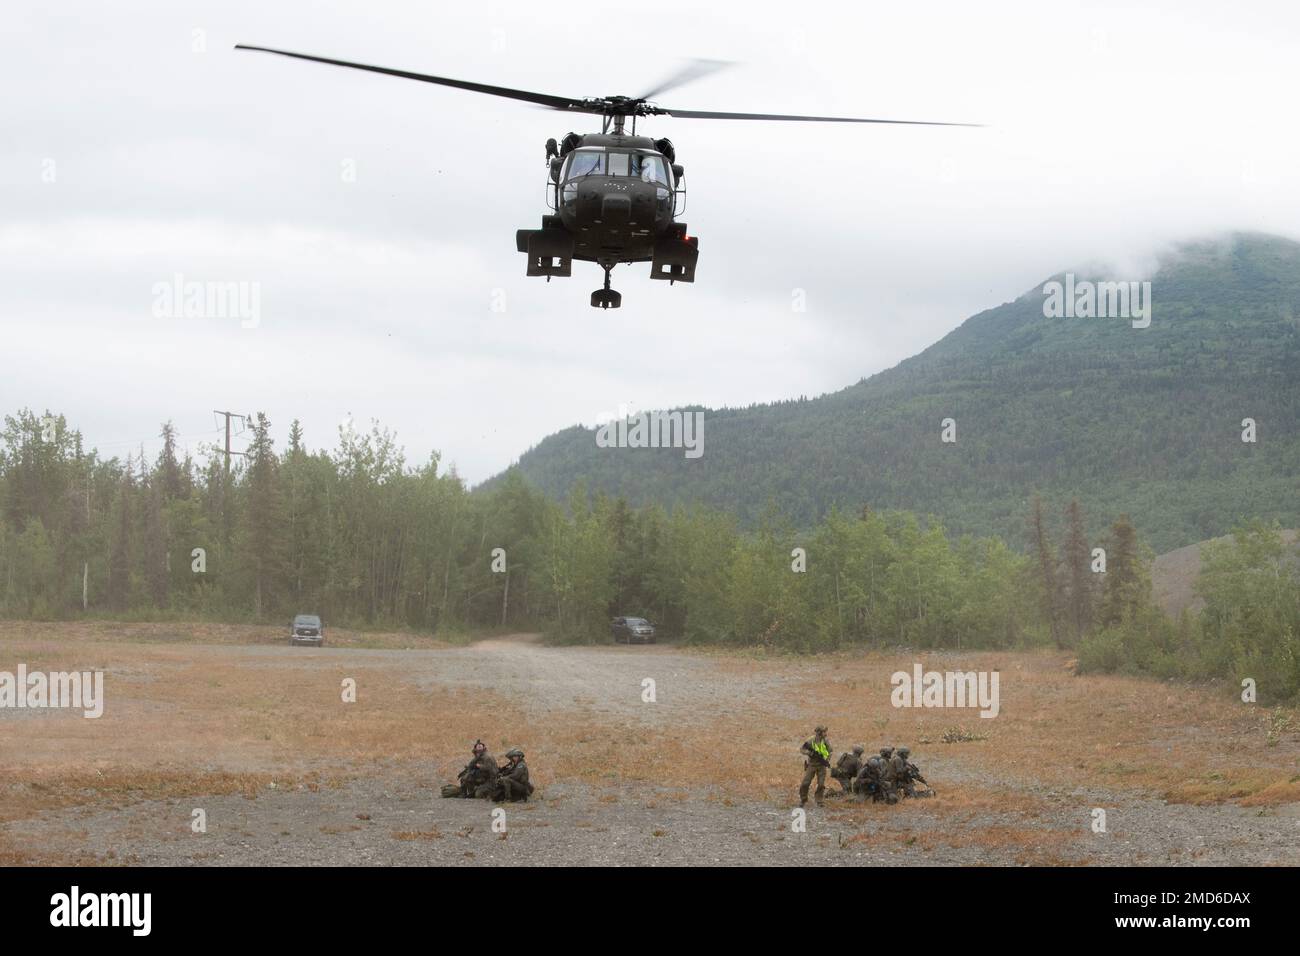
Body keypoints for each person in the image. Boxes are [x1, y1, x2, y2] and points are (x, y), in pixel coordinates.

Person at [799, 725, 832, 807]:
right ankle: (803, 799)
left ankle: (819, 800)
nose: (825, 733)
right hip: (812, 764)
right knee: (805, 783)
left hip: (821, 765)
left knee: (821, 784)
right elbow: (802, 749)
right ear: (819, 732)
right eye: (824, 732)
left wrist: (827, 760)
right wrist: (809, 753)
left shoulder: (825, 741)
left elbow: (830, 751)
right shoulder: (811, 740)